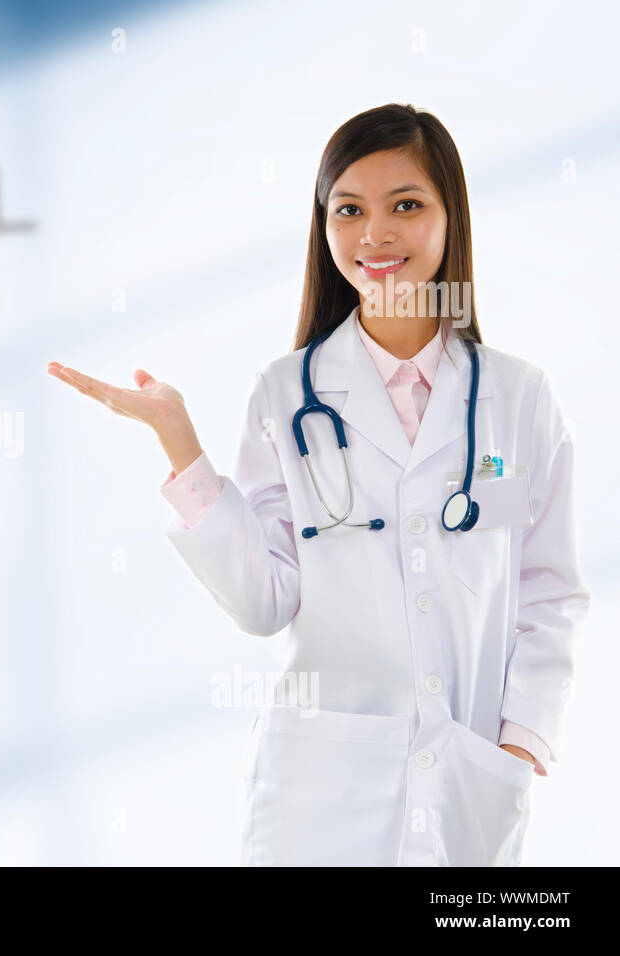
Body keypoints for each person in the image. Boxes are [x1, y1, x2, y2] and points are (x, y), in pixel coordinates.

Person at [46, 103, 590, 866]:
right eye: (349, 210)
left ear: (449, 215)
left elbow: (547, 588)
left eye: (406, 205)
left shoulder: (519, 400)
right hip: (318, 796)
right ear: (324, 225)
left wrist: (520, 744)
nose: (376, 235)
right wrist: (182, 447)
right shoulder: (284, 396)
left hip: (471, 786)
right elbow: (263, 601)